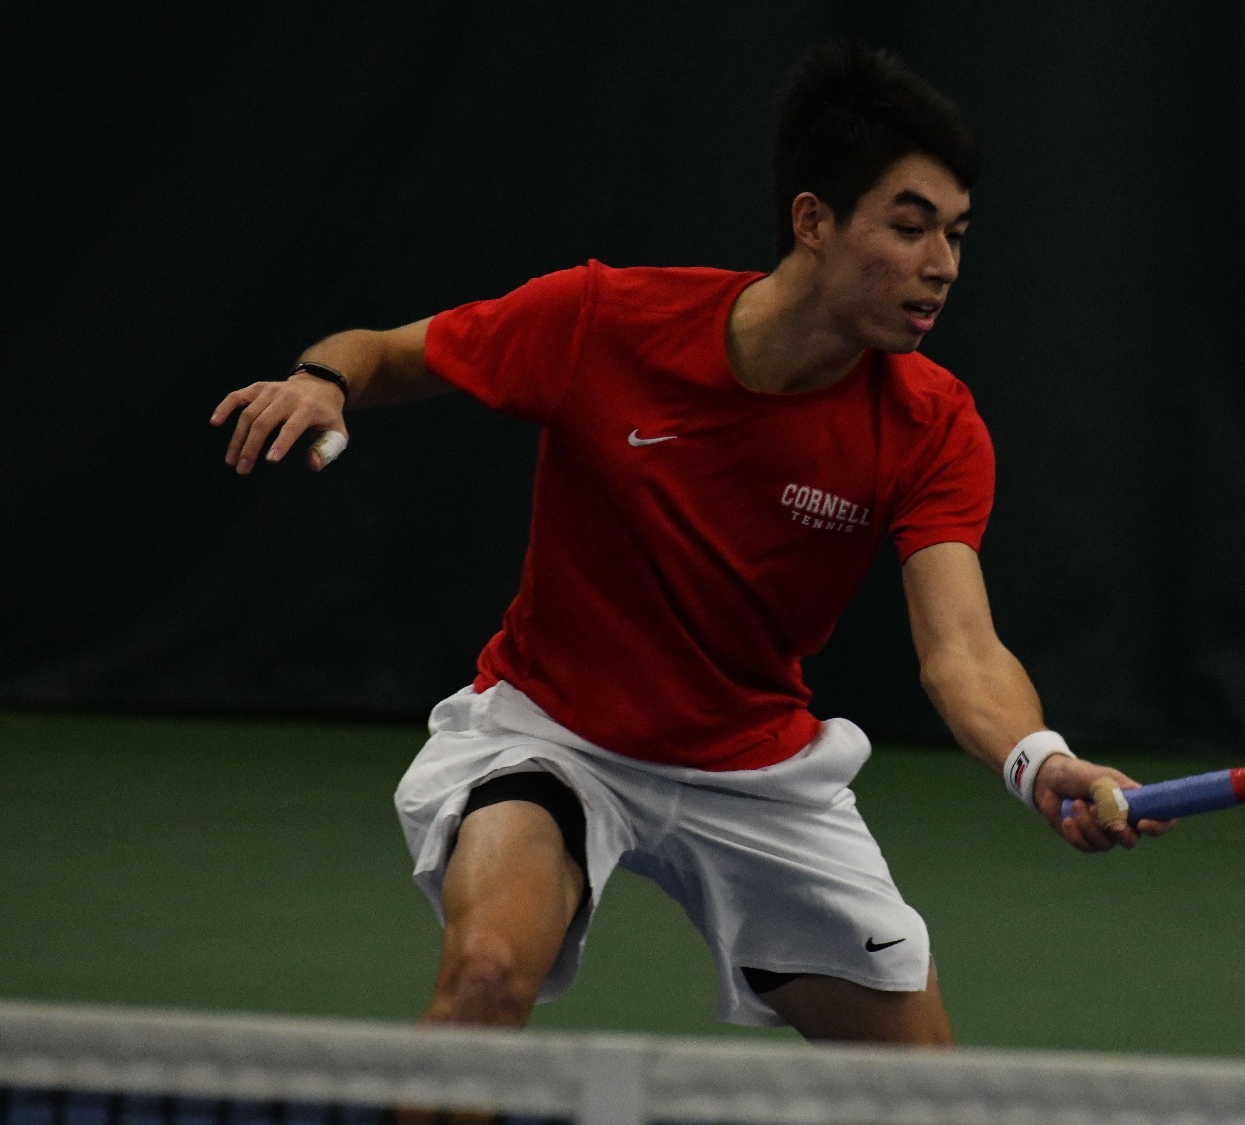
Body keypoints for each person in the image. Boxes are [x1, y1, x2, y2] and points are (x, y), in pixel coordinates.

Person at [208, 40, 1167, 1045]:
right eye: (909, 226)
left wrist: (1038, 760)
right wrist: (322, 378)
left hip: (755, 772)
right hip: (555, 736)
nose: (940, 267)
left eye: (957, 235)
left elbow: (960, 649)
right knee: (487, 975)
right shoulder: (602, 323)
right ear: (811, 221)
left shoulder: (932, 423)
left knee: (922, 1089)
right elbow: (388, 353)